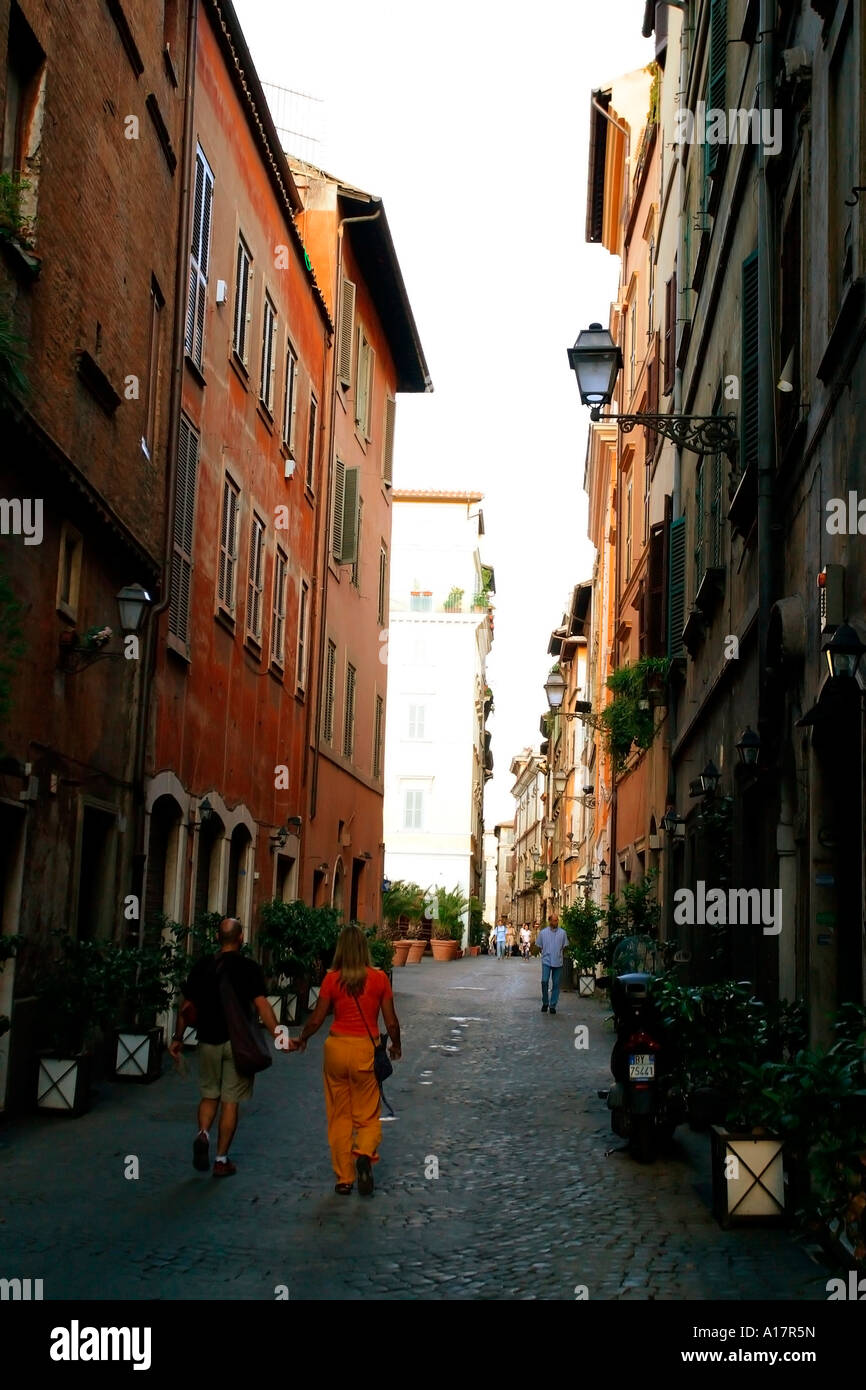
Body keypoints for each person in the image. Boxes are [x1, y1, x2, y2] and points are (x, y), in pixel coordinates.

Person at [287, 924, 401, 1197]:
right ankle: (362, 1153)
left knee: (339, 1116)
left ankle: (344, 1179)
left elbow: (316, 1018)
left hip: (336, 1048)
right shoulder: (379, 978)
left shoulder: (331, 980)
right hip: (365, 1050)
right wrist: (397, 1045)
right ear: (364, 948)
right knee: (368, 1114)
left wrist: (302, 1038)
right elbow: (391, 1021)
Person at [168, 917, 280, 1178]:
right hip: (238, 1044)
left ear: (218, 938)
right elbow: (263, 1006)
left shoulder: (203, 966)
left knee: (209, 1095)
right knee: (230, 1101)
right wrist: (280, 1036)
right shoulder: (249, 968)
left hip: (207, 1041)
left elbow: (186, 1007)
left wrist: (177, 1038)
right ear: (241, 938)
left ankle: (203, 1133)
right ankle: (221, 1160)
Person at [537, 913, 568, 1014]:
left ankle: (553, 1005)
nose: (555, 922)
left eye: (557, 920)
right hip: (546, 960)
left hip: (558, 961)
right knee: (544, 981)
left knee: (556, 983)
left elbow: (564, 946)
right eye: (554, 920)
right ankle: (545, 1002)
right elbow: (540, 945)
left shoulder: (563, 933)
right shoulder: (543, 933)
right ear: (549, 921)